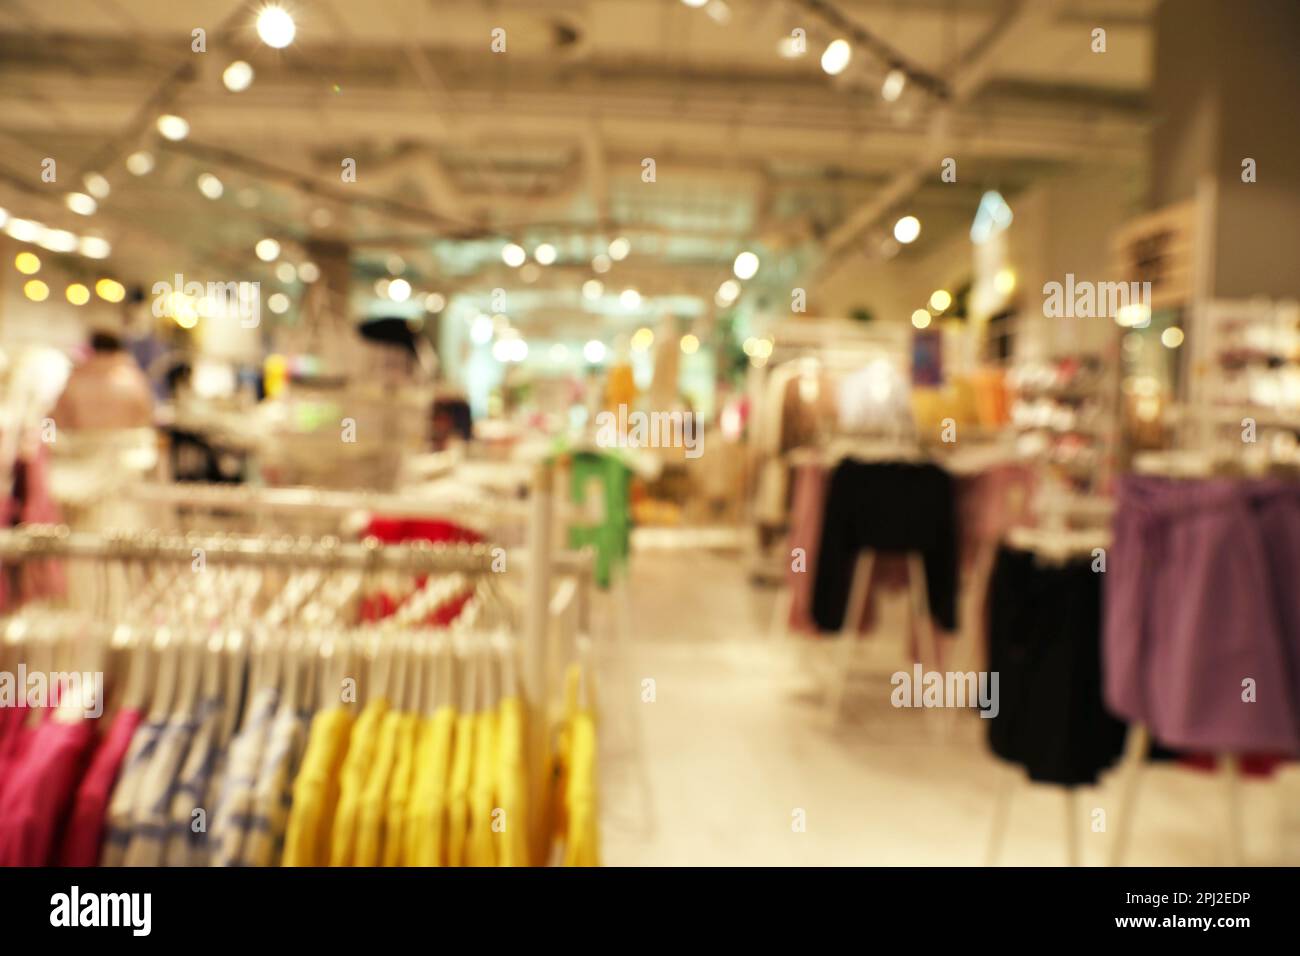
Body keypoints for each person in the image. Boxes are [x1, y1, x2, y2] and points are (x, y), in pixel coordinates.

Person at [51, 323, 155, 430]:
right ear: (118, 349)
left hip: (83, 444)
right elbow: (145, 416)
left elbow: (59, 418)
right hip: (125, 444)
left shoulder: (76, 379)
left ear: (93, 348)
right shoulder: (132, 379)